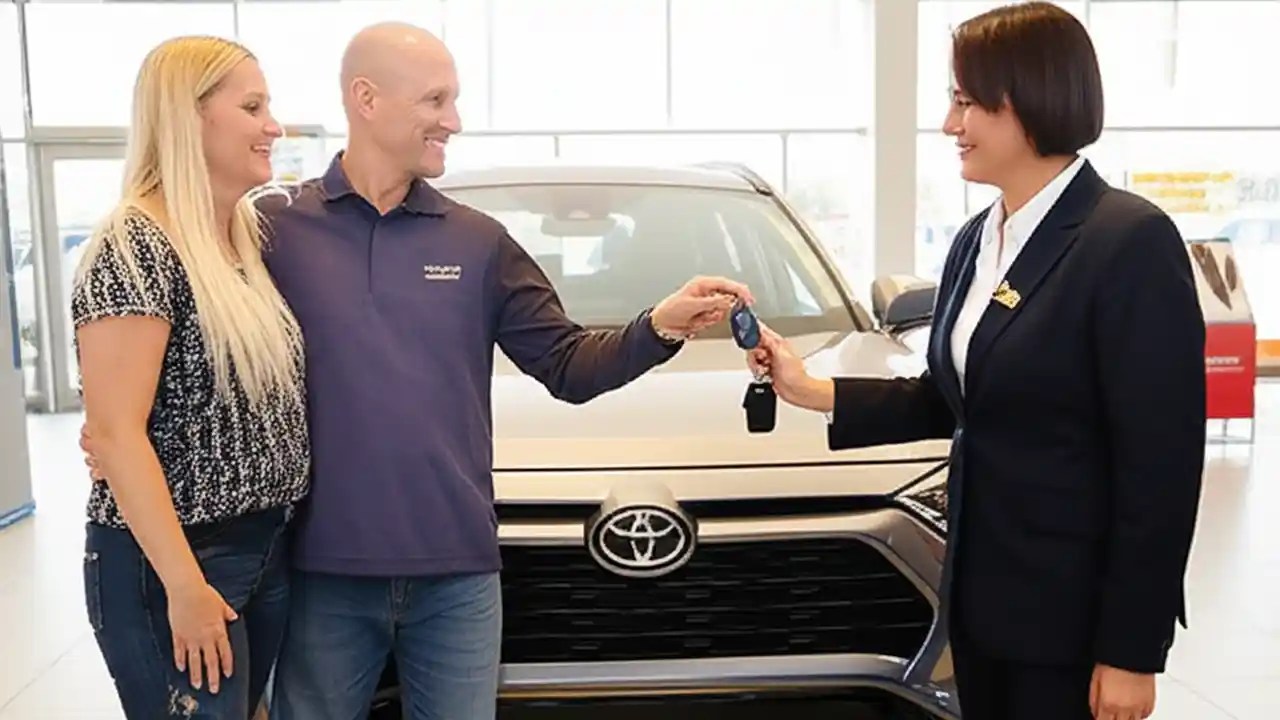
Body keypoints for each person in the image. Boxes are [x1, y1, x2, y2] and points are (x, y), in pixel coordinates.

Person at [80, 21, 752, 719]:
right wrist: (115, 432)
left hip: (456, 577)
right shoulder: (268, 232)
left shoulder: (478, 242)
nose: (453, 121)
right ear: (367, 99)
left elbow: (566, 365)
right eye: (436, 100)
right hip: (318, 574)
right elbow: (187, 355)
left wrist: (659, 326)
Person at [746, 3, 1205, 720]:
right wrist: (813, 389)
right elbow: (959, 399)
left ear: (1029, 98)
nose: (949, 124)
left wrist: (1132, 649)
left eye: (965, 102)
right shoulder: (977, 239)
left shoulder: (1128, 241)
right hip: (983, 608)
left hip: (1073, 625)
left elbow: (1161, 469)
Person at [71, 36, 309, 719]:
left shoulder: (238, 237)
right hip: (175, 562)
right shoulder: (132, 245)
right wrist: (185, 586)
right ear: (188, 118)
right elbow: (115, 435)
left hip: (261, 544)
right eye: (253, 106)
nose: (274, 125)